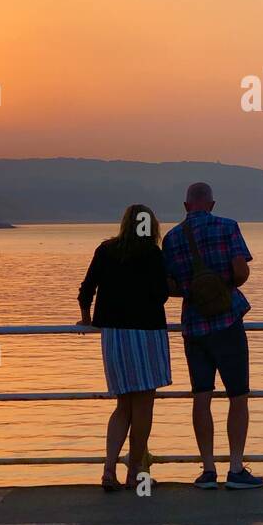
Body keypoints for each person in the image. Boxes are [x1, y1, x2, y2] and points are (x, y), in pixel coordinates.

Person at [161, 182, 263, 489]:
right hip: (228, 323)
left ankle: (207, 471)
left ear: (186, 206)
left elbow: (169, 286)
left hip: (194, 327)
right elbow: (241, 273)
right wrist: (220, 287)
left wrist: (196, 291)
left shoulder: (172, 237)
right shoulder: (228, 227)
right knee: (238, 396)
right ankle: (235, 469)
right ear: (212, 204)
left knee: (201, 397)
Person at [77, 203, 171, 492]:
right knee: (143, 406)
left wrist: (87, 319)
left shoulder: (106, 250)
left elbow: (86, 291)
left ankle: (108, 468)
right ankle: (134, 473)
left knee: (122, 406)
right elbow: (162, 295)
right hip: (147, 333)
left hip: (114, 335)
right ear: (151, 226)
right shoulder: (153, 255)